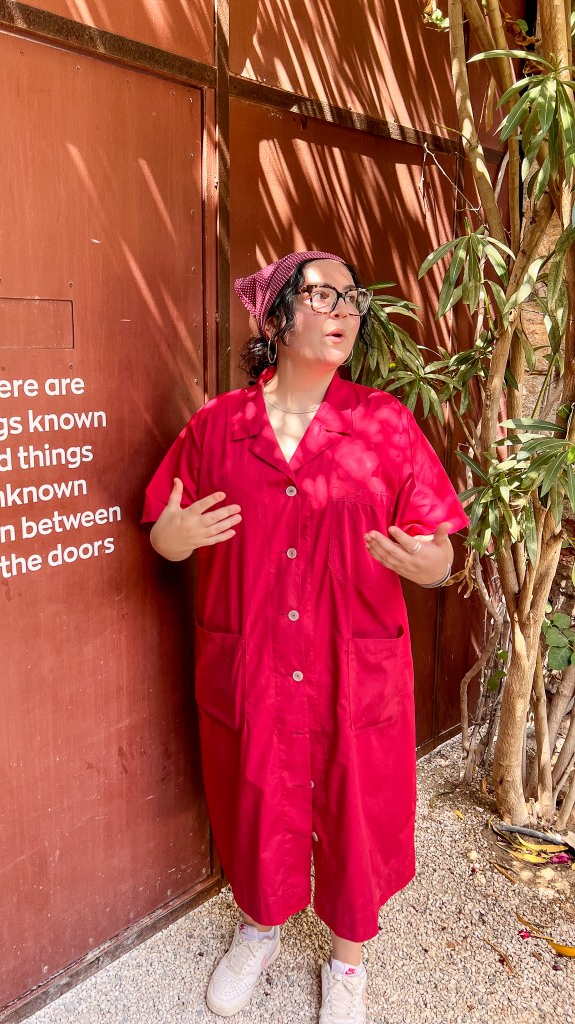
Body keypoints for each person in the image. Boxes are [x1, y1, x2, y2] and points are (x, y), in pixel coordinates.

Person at [142, 251, 469, 1023]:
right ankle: (260, 930)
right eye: (323, 294)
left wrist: (428, 562)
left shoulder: (385, 425)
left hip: (352, 667)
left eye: (352, 297)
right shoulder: (216, 428)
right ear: (276, 315)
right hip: (253, 663)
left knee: (357, 805)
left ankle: (348, 961)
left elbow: (442, 553)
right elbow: (162, 532)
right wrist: (178, 536)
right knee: (257, 792)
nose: (346, 310)